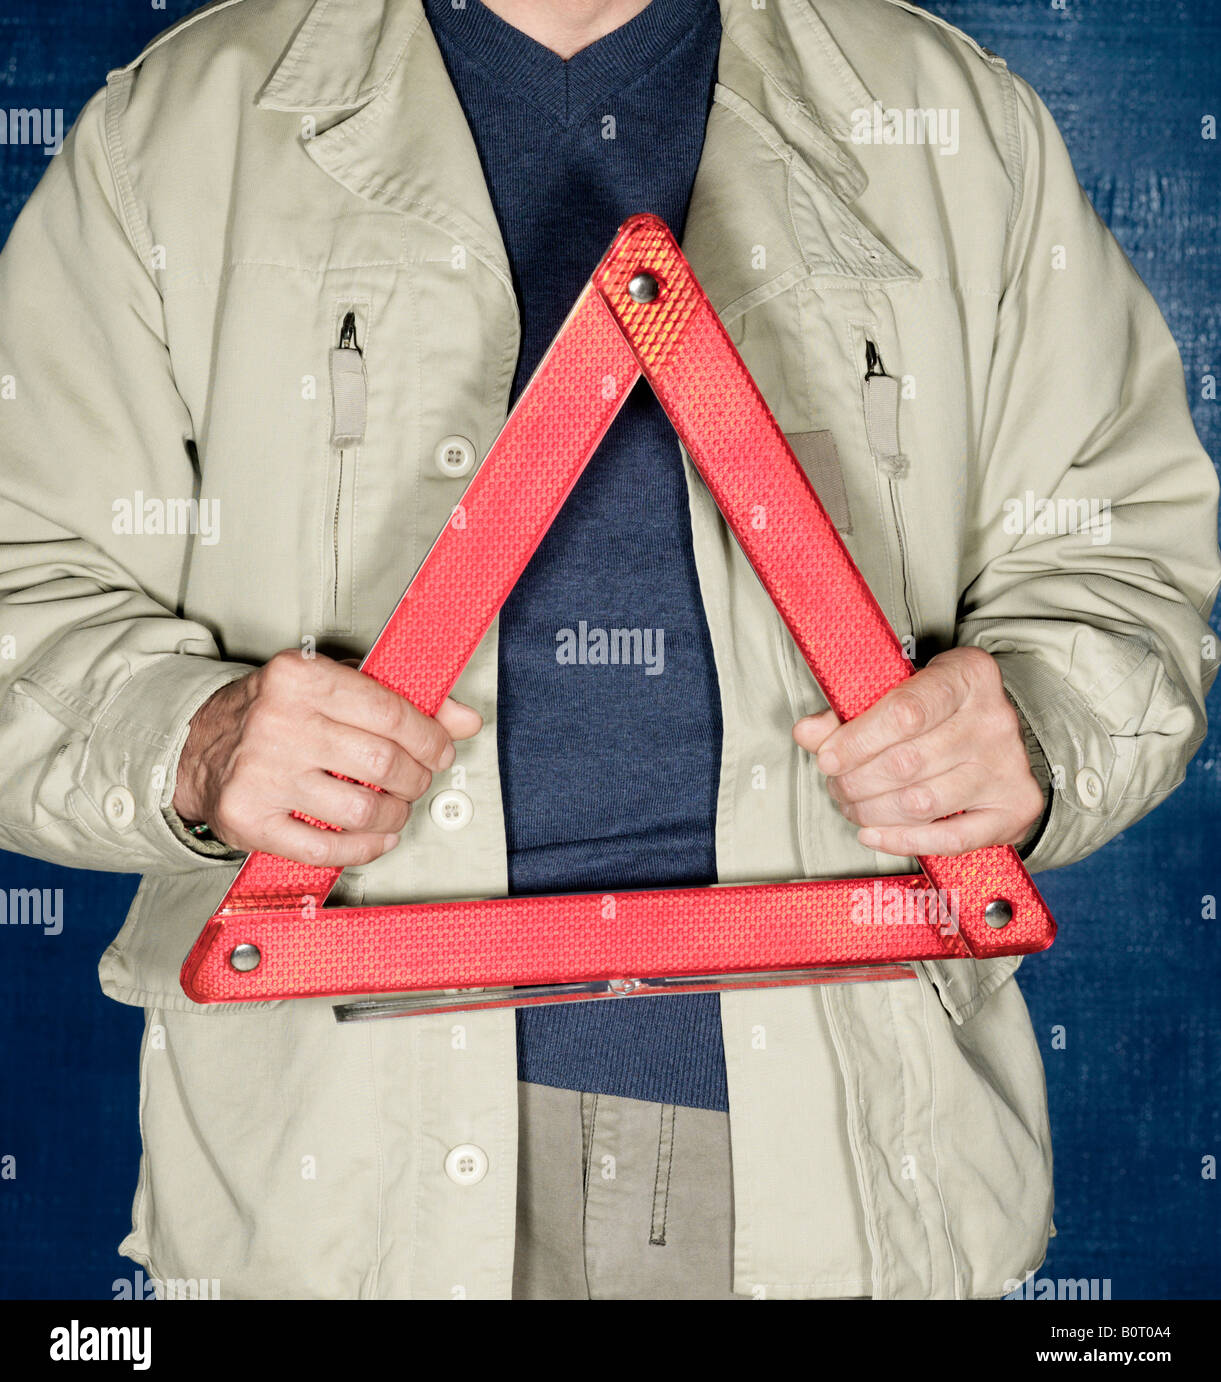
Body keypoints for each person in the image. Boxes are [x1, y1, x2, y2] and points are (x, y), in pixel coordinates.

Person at [0, 0, 1216, 1300]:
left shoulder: (950, 122)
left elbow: (1119, 557)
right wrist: (196, 742)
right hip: (338, 1171)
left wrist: (1033, 726)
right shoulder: (175, 133)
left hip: (848, 1168)